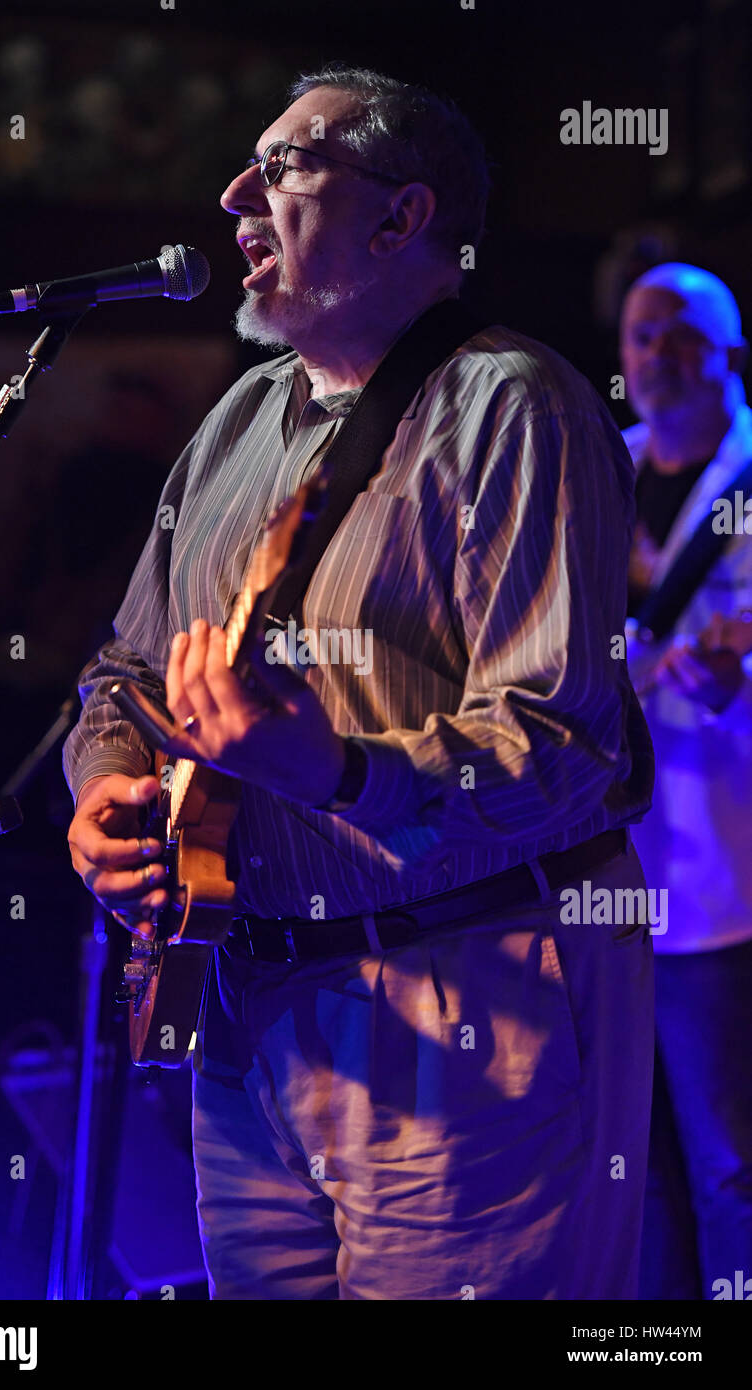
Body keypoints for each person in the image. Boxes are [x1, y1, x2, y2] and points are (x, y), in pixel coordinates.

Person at [64, 65, 655, 1300]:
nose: (233, 194)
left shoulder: (517, 406)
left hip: (461, 995)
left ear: (400, 218)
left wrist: (336, 771)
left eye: (281, 167)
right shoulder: (236, 420)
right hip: (242, 993)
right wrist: (106, 790)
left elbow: (571, 742)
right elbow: (120, 673)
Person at [620, 262, 752, 1300]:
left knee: (728, 1164)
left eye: (681, 335)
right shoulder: (595, 480)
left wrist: (735, 673)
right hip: (598, 876)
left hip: (723, 879)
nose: (656, 353)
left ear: (728, 358)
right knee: (622, 1173)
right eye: (639, 333)